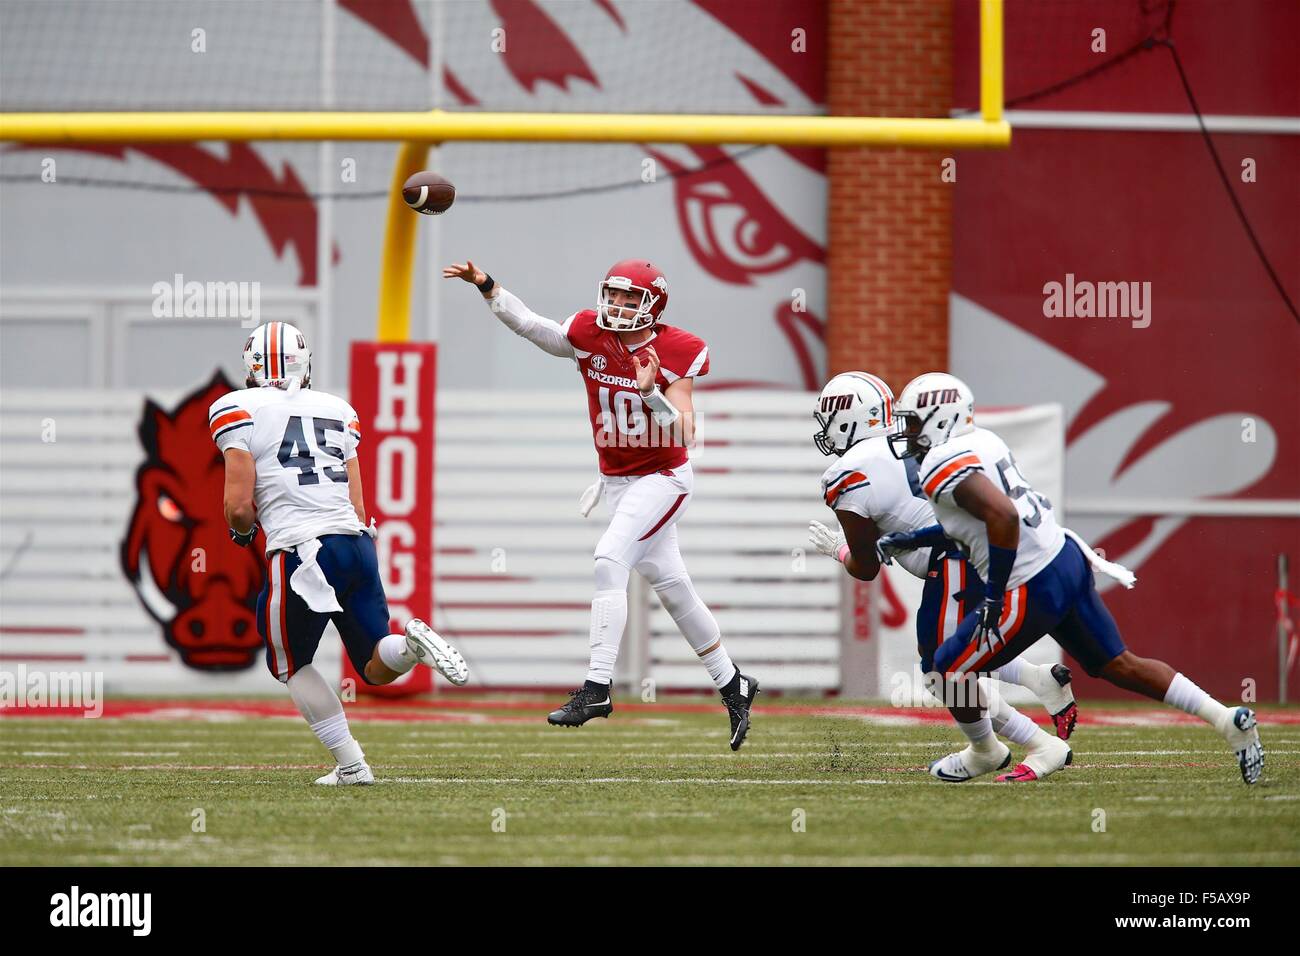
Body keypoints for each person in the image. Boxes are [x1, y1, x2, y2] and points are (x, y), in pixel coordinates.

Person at [881, 371, 1264, 784]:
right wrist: (914, 537)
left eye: (915, 421)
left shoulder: (941, 461)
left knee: (946, 670)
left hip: (1031, 583)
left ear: (942, 419)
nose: (909, 431)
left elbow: (1003, 516)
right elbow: (978, 519)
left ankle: (985, 752)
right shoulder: (983, 441)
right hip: (1064, 557)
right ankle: (1229, 720)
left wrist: (993, 595)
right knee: (1119, 664)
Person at [443, 258, 758, 749]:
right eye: (614, 294)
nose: (618, 304)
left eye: (631, 298)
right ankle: (734, 683)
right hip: (618, 483)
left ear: (653, 304)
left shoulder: (678, 349)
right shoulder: (589, 333)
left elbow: (689, 432)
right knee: (673, 587)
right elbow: (532, 326)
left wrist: (653, 393)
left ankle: (596, 688)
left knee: (609, 559)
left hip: (663, 477)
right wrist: (487, 286)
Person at [211, 322, 468, 785]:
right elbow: (358, 502)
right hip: (355, 544)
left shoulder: (235, 407)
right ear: (304, 365)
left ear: (250, 368)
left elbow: (238, 505)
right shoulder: (337, 409)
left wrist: (241, 533)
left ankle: (352, 765)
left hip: (303, 551)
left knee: (289, 664)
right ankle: (409, 647)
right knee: (374, 663)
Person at [807, 371, 1075, 782]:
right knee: (954, 655)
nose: (825, 431)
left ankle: (1010, 746)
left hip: (953, 557)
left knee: (940, 668)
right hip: (984, 547)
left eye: (829, 419)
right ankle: (1036, 683)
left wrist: (839, 550)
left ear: (847, 420)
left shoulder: (848, 473)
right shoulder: (910, 445)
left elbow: (866, 567)